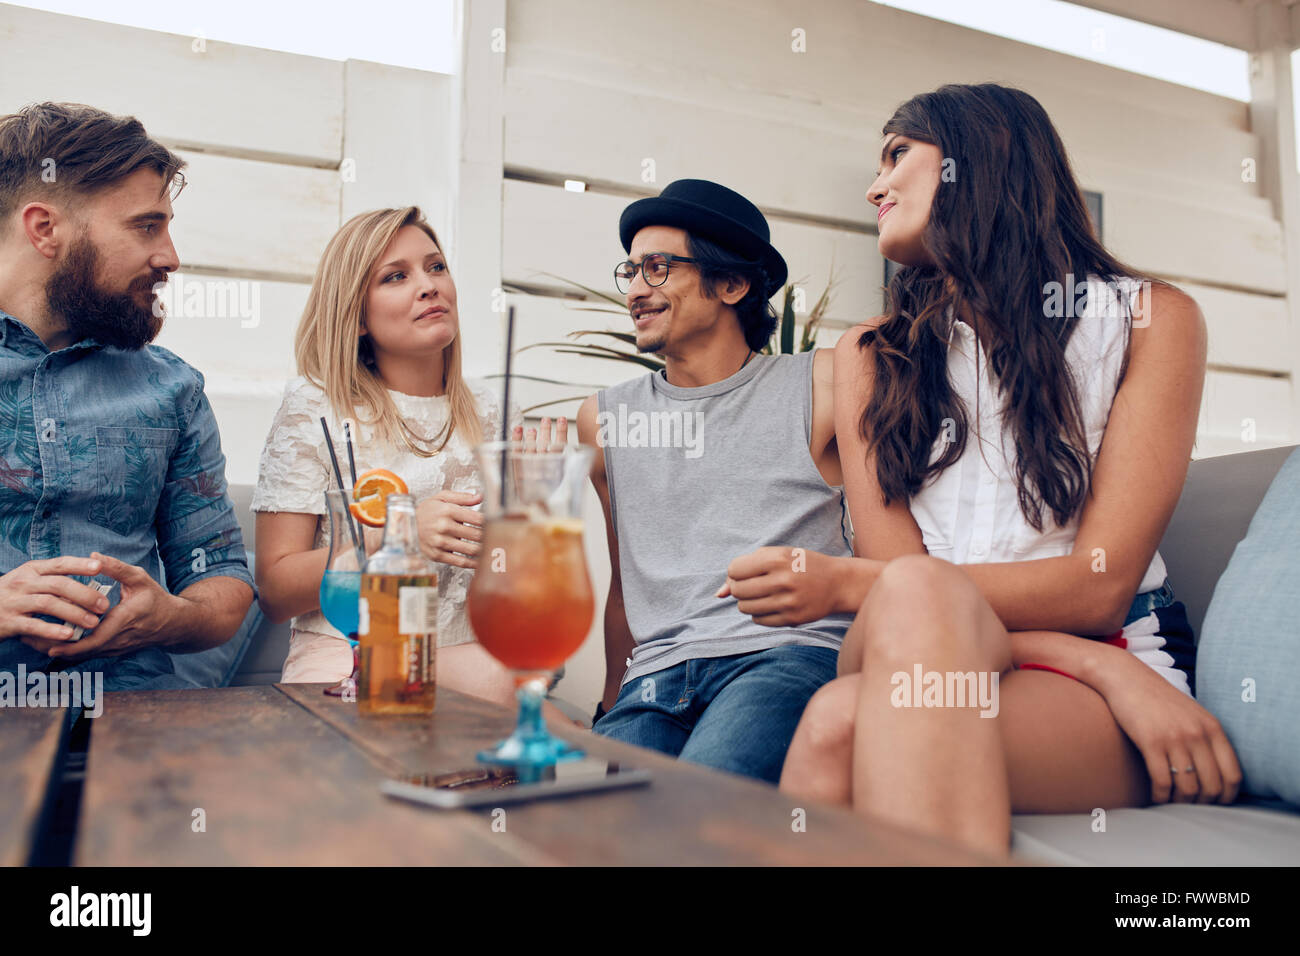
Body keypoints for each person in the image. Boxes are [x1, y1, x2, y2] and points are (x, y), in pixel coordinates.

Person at [764, 83, 1241, 857]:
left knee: (834, 727)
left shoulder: (1150, 319)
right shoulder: (868, 356)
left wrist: (1101, 662)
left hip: (1103, 662)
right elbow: (900, 584)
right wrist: (1080, 655)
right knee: (917, 594)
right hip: (969, 646)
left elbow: (1098, 587)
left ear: (977, 159)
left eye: (896, 154)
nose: (873, 186)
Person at [579, 179, 854, 784]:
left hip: (785, 657)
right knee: (607, 825)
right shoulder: (604, 420)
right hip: (653, 677)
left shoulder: (825, 385)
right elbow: (628, 583)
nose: (636, 291)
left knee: (700, 801)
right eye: (632, 271)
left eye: (658, 267)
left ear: (732, 284)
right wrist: (606, 707)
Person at [252, 205, 571, 721]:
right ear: (355, 316)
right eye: (396, 276)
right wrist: (401, 535)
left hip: (472, 662)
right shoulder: (315, 407)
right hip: (350, 657)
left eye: (436, 267)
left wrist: (536, 516)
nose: (428, 286)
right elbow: (275, 590)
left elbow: (519, 590)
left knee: (531, 725)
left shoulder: (496, 412)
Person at [0, 102, 255, 694]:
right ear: (44, 228)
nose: (170, 257)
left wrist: (172, 617)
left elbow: (219, 578)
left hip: (132, 727)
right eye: (146, 226)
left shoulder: (174, 390)